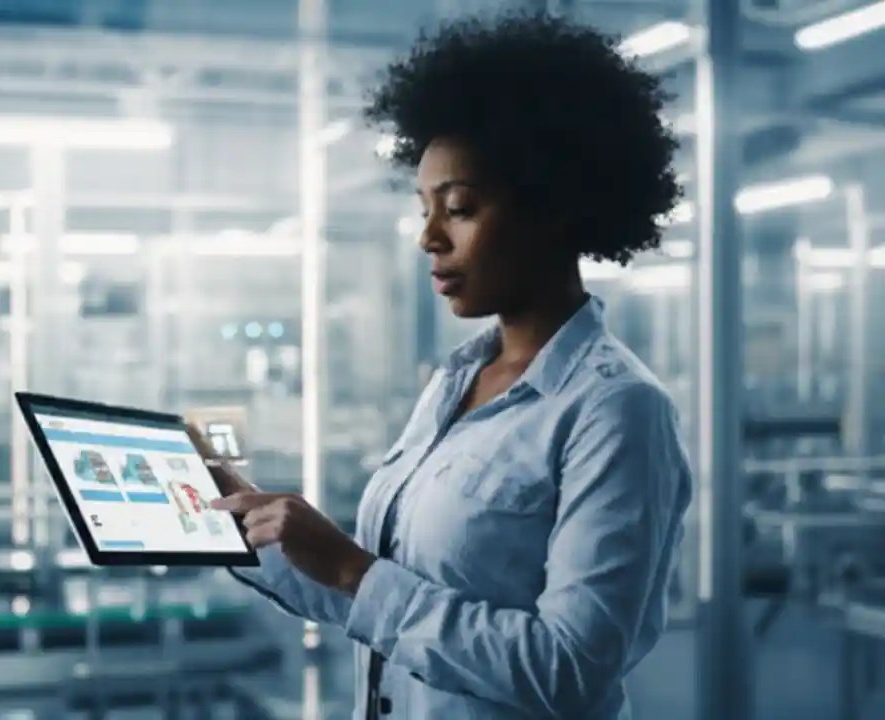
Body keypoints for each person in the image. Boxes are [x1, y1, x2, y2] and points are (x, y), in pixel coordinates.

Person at [197, 13, 693, 720]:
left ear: (554, 208)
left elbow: (569, 670)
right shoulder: (454, 383)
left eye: (458, 208)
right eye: (424, 208)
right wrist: (248, 527)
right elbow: (376, 602)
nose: (429, 237)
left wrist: (351, 567)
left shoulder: (616, 410)